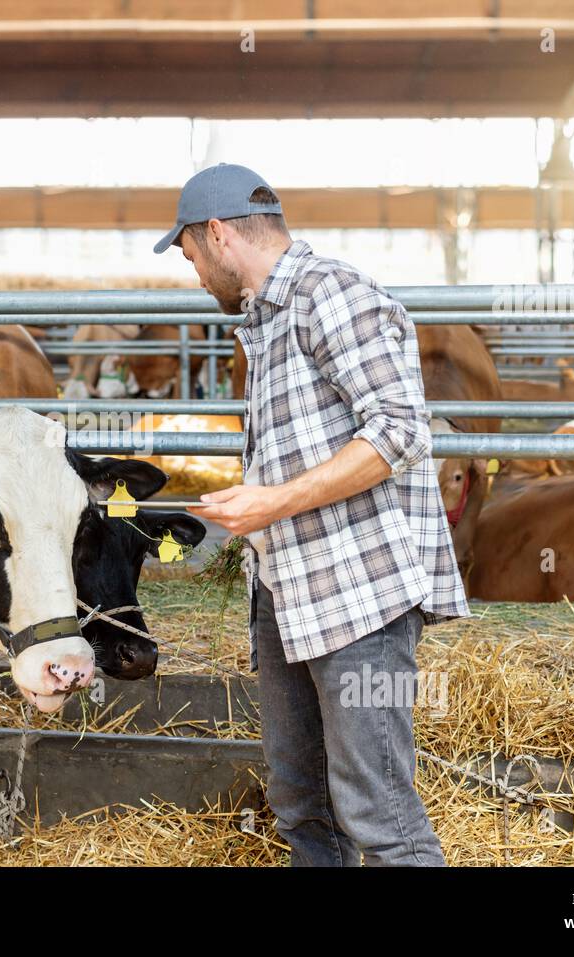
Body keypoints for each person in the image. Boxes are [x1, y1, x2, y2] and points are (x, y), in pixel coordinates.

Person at [155, 163, 468, 866]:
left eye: (191, 256)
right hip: (288, 593)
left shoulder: (330, 293)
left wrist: (272, 500)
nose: (196, 274)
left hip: (357, 599)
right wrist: (257, 510)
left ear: (216, 235)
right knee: (302, 803)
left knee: (379, 813)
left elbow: (400, 430)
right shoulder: (268, 322)